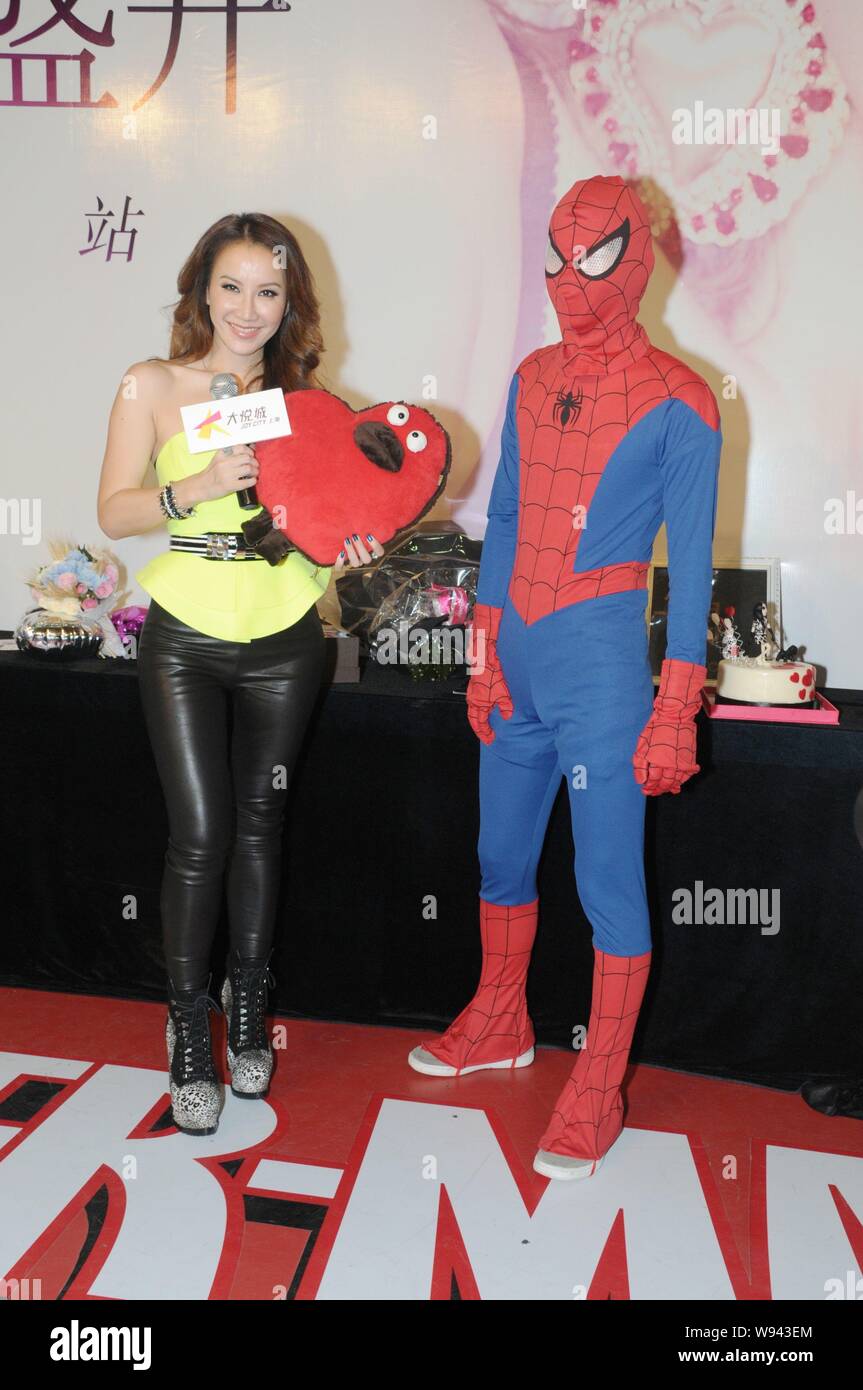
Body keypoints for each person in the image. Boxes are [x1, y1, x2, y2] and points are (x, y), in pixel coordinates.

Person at [409, 175, 722, 1181]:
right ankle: (500, 1015)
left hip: (599, 670)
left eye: (590, 255)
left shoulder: (681, 399)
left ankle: (599, 1081)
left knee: (605, 884)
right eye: (554, 253)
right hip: (522, 665)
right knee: (498, 856)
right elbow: (502, 516)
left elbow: (693, 564)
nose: (566, 277)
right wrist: (481, 647)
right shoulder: (531, 373)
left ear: (634, 260)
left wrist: (675, 703)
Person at [97, 212, 381, 1136]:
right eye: (232, 286)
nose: (248, 309)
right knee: (201, 832)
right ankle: (189, 1031)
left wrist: (357, 546)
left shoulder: (310, 403)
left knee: (262, 822)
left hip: (286, 632)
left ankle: (249, 1003)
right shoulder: (150, 384)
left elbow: (330, 526)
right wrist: (198, 484)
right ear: (201, 290)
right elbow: (114, 509)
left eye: (269, 291)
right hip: (183, 632)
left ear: (289, 301)